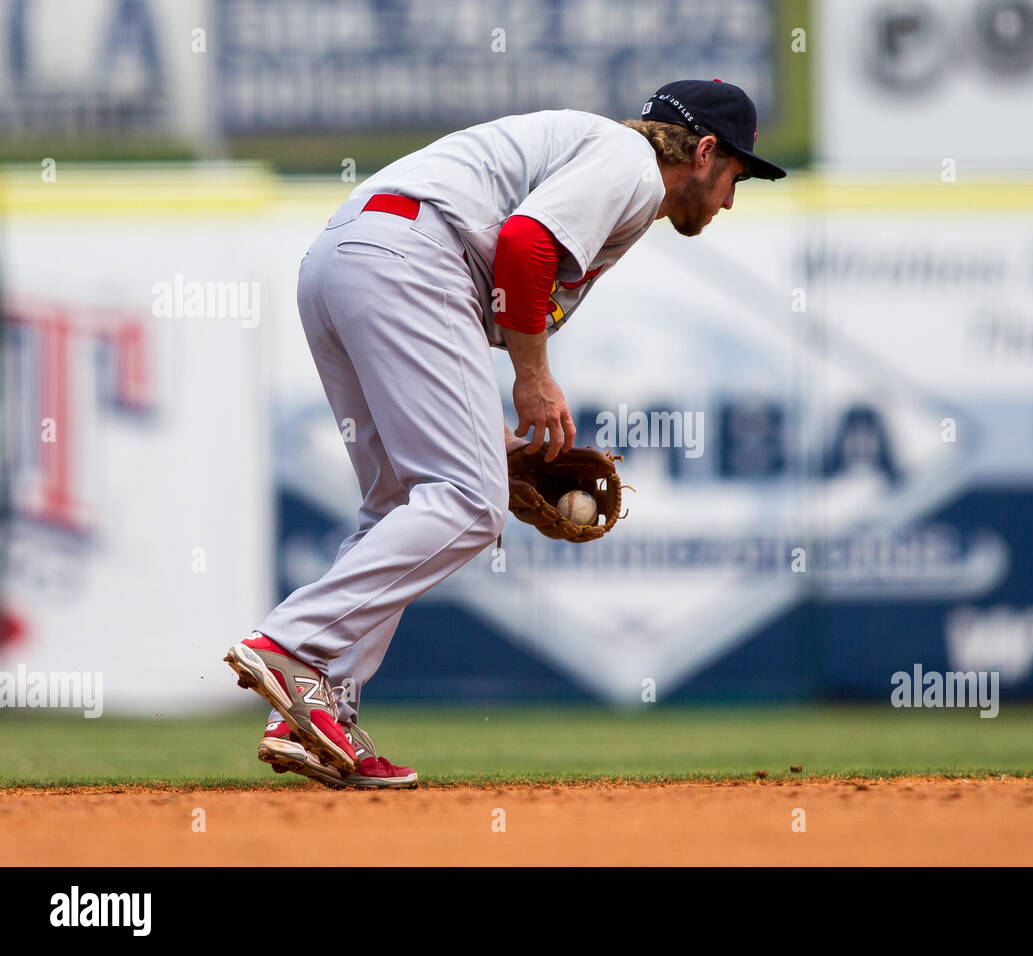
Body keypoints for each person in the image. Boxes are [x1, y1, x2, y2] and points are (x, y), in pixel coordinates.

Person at [223, 79, 787, 788]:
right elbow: (524, 245)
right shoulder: (631, 164)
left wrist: (493, 442)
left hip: (346, 261)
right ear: (705, 151)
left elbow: (489, 290)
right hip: (410, 262)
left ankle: (310, 710)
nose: (732, 197)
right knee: (470, 501)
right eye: (736, 174)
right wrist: (534, 380)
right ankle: (292, 645)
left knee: (403, 505)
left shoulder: (600, 160)